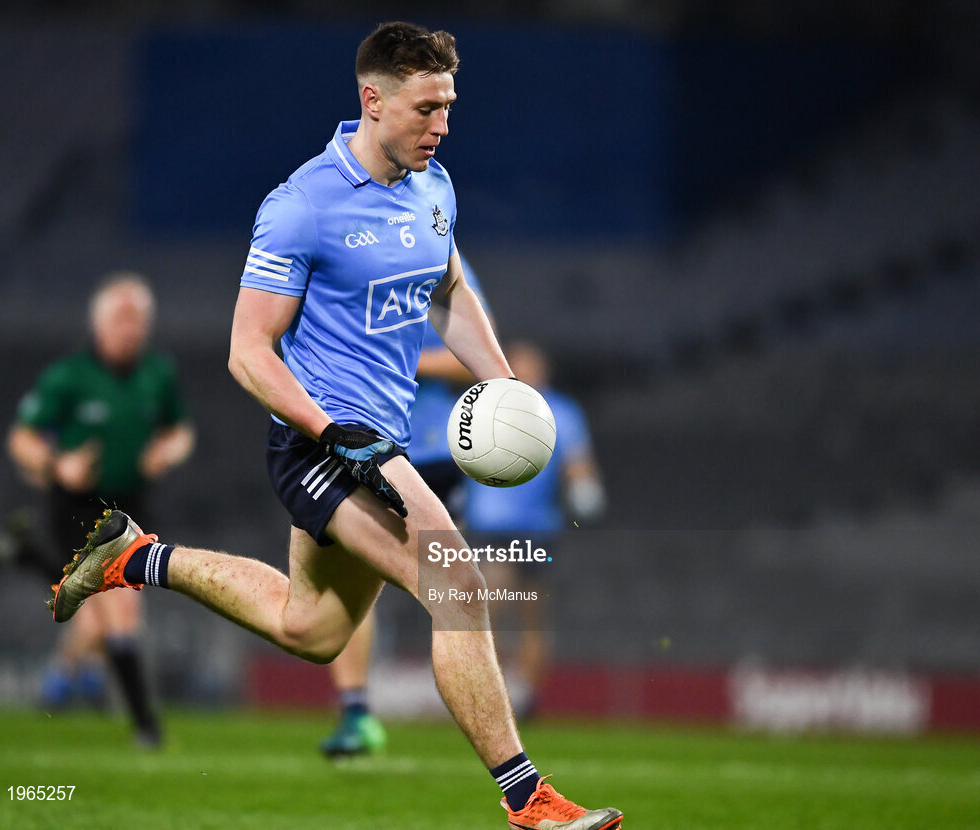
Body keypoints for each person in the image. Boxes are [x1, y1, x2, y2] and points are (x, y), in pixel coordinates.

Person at [47, 23, 622, 829]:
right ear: (372, 99)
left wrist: (504, 384)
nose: (443, 124)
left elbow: (448, 293)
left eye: (450, 105)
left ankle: (140, 556)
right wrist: (328, 428)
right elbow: (247, 354)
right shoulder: (301, 205)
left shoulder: (434, 189)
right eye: (427, 107)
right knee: (456, 583)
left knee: (311, 630)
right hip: (322, 444)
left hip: (382, 441)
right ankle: (528, 799)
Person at [7, 272, 195, 745]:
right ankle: (145, 724)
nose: (130, 329)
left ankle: (65, 673)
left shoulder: (158, 373)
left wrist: (167, 451)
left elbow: (180, 430)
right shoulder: (68, 376)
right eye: (120, 319)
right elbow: (22, 438)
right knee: (122, 602)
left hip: (131, 504)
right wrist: (57, 463)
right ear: (99, 324)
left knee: (97, 611)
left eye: (138, 320)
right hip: (76, 505)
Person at [318, 258, 485, 758]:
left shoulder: (440, 260)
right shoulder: (338, 259)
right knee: (350, 582)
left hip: (433, 452)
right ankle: (355, 713)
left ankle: (473, 712)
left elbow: (471, 356)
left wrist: (403, 364)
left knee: (450, 588)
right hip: (361, 446)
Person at [465, 340, 606, 720]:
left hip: (538, 529)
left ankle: (524, 695)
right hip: (490, 525)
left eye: (532, 367)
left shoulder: (562, 411)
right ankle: (491, 693)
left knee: (532, 616)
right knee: (489, 607)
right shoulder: (483, 405)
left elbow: (577, 462)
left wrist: (583, 487)